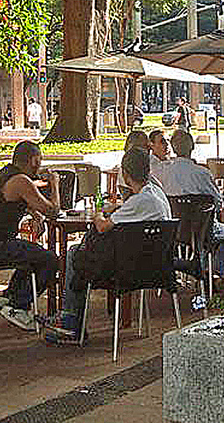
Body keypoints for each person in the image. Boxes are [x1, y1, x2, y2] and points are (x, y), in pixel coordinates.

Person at [43, 147, 171, 343]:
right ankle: (70, 318)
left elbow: (102, 226)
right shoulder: (156, 194)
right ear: (148, 171)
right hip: (156, 266)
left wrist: (97, 213)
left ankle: (71, 321)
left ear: (125, 175)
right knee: (82, 253)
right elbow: (135, 210)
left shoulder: (139, 202)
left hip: (126, 271)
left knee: (75, 253)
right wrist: (118, 207)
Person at [0, 140, 60, 331]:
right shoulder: (22, 181)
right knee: (51, 260)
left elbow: (10, 202)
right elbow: (53, 211)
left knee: (32, 253)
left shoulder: (5, 174)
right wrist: (55, 184)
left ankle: (9, 295)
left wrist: (34, 213)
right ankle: (18, 306)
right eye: (39, 160)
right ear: (34, 161)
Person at [161, 129, 224, 284]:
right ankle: (216, 271)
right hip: (202, 230)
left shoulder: (163, 172)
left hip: (173, 231)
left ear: (174, 148)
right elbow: (218, 204)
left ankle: (207, 269)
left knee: (209, 232)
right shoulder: (202, 173)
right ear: (192, 148)